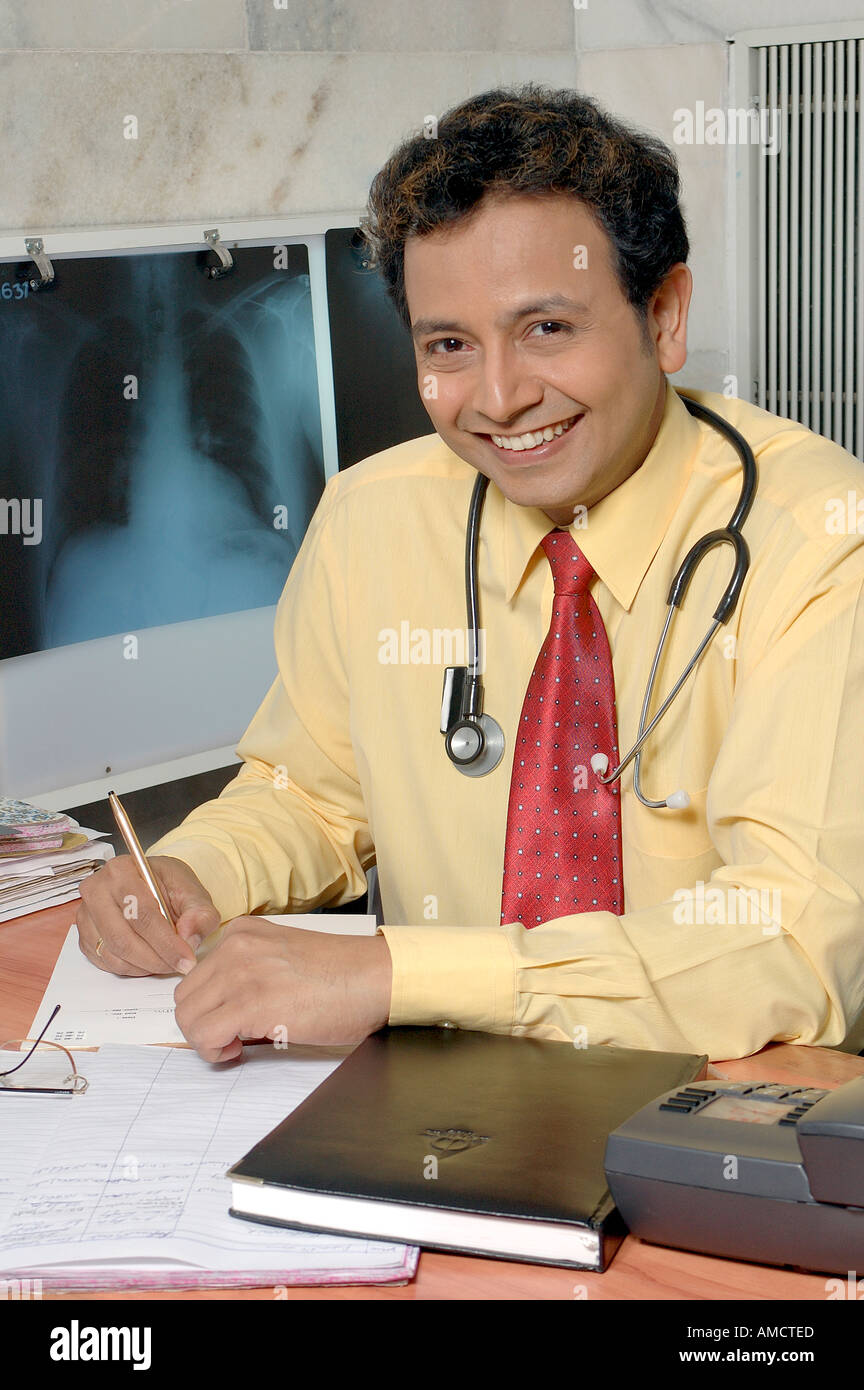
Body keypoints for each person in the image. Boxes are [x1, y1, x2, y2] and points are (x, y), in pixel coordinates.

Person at [74, 85, 864, 1064]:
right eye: (450, 345)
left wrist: (397, 975)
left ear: (664, 316)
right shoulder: (373, 519)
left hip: (711, 1118)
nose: (498, 399)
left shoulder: (823, 540)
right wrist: (197, 868)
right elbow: (313, 793)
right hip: (437, 1113)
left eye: (547, 330)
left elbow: (794, 943)